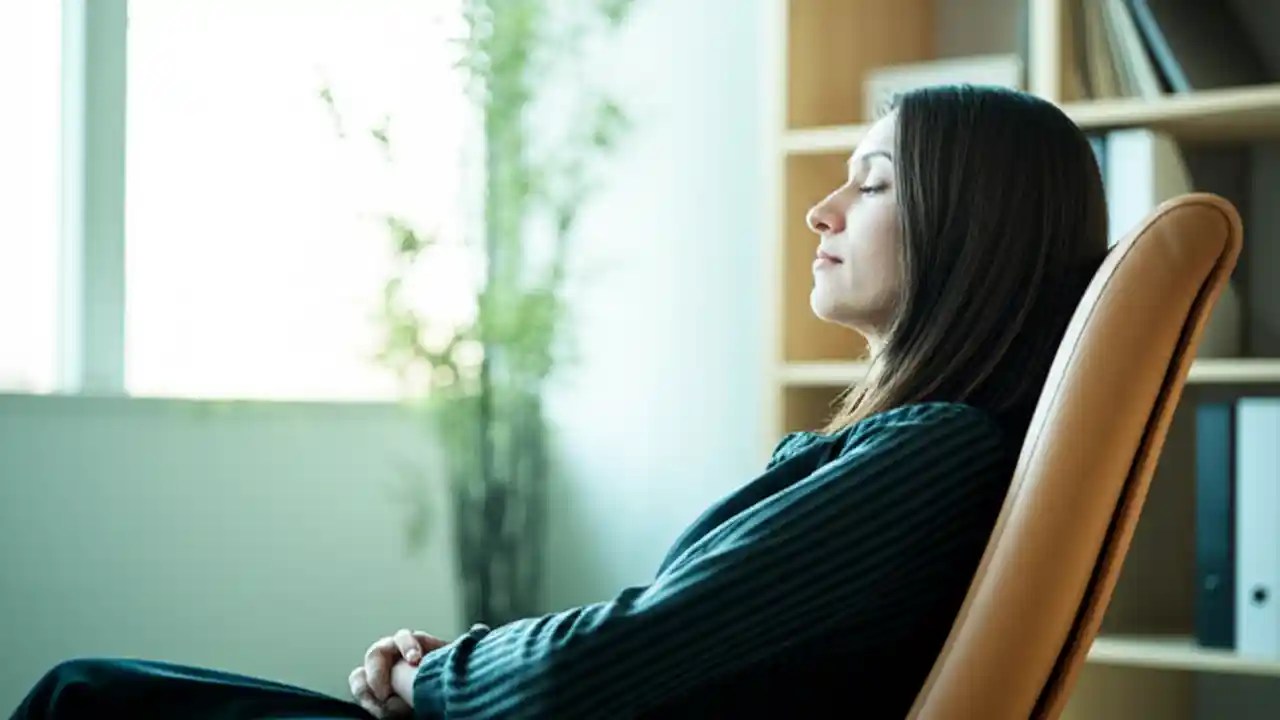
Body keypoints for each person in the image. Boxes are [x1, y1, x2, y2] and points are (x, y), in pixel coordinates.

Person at [11, 84, 1109, 720]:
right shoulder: (921, 452)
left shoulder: (930, 454)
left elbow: (606, 666)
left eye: (871, 184)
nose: (822, 210)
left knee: (89, 699)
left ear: (972, 232)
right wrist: (463, 666)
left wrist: (441, 678)